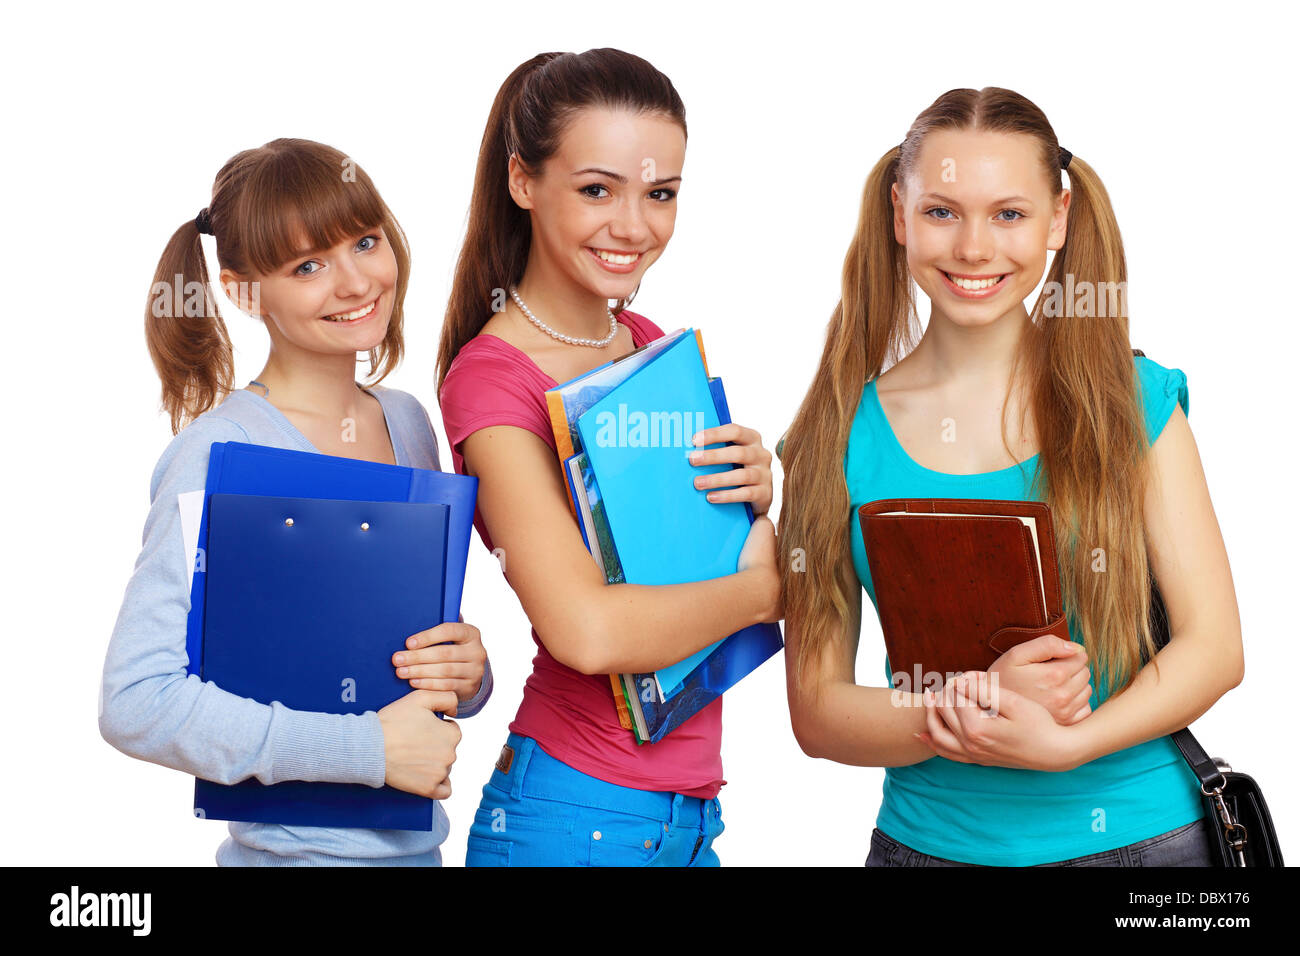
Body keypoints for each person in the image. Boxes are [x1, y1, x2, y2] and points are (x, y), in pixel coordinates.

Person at [777, 87, 1244, 867]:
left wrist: (1068, 743)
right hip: (926, 848)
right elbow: (818, 712)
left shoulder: (1134, 405)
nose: (973, 248)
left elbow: (1215, 648)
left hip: (1143, 845)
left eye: (1009, 214)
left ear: (1058, 219)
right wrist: (972, 708)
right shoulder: (833, 436)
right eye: (941, 212)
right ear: (899, 214)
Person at [99, 138, 490, 866]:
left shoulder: (406, 421)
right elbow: (136, 700)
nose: (354, 282)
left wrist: (465, 670)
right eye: (307, 266)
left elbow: (389, 649)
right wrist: (364, 750)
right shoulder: (216, 455)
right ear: (245, 291)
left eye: (365, 242)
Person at [436, 48, 782, 866]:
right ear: (523, 181)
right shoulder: (491, 383)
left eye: (660, 194)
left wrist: (753, 496)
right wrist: (764, 586)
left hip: (686, 819)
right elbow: (585, 632)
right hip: (572, 820)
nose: (635, 226)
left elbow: (681, 568)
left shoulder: (650, 347)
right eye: (597, 189)